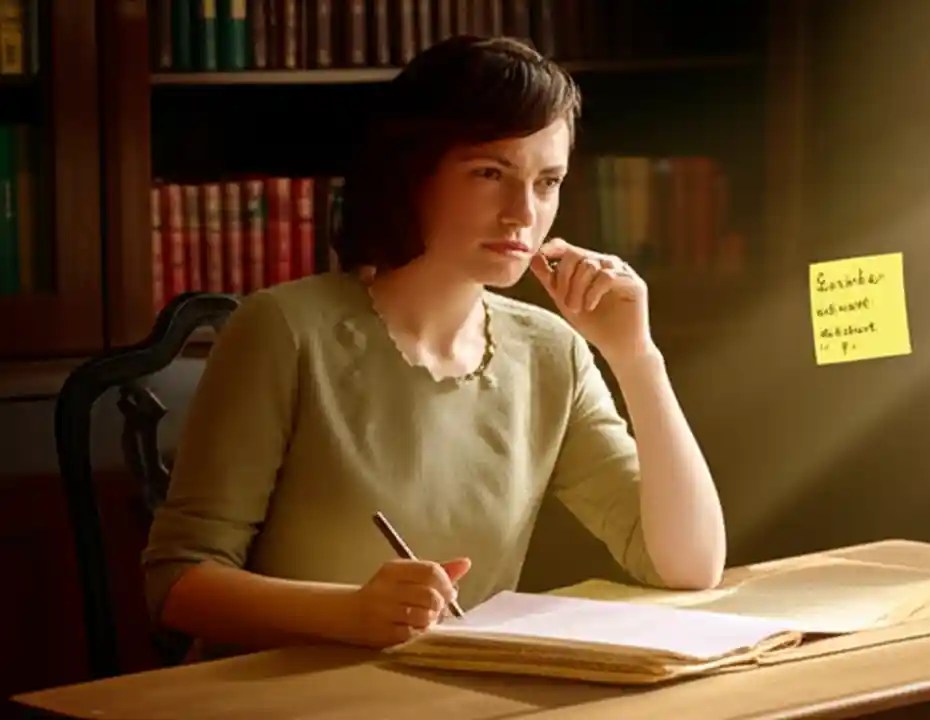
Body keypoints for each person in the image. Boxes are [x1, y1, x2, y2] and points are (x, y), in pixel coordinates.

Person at [141, 35, 726, 654]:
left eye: (547, 181)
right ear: (412, 171)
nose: (522, 214)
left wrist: (637, 359)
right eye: (489, 174)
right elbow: (178, 585)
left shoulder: (550, 352)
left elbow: (686, 565)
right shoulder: (283, 331)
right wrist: (351, 613)